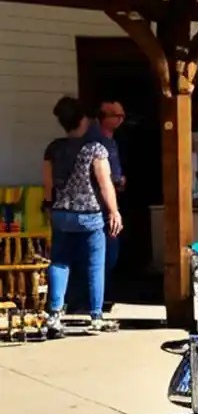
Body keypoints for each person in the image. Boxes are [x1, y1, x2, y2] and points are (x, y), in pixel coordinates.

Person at [41, 97, 122, 338]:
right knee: (95, 265)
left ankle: (55, 314)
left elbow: (48, 184)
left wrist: (49, 205)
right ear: (83, 120)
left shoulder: (54, 148)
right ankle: (96, 316)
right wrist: (114, 211)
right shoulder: (96, 148)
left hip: (61, 213)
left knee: (59, 262)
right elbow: (105, 183)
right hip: (90, 214)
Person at [85, 99, 126, 307]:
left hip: (108, 201)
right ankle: (94, 301)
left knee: (107, 254)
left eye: (122, 115)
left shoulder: (111, 140)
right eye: (116, 115)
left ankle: (99, 298)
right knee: (104, 255)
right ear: (102, 118)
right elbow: (102, 178)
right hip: (99, 205)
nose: (121, 119)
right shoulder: (96, 142)